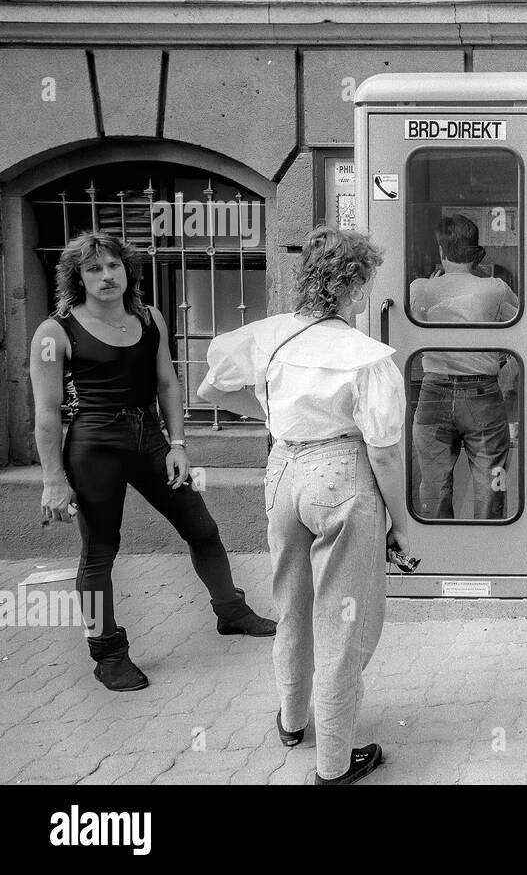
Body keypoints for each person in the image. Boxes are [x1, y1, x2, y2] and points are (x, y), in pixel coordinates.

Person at [197, 226, 407, 785]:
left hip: (283, 470)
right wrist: (402, 524)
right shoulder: (367, 358)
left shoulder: (268, 336)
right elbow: (384, 454)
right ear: (354, 287)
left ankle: (292, 719)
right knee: (343, 618)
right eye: (366, 282)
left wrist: (272, 412)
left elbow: (211, 392)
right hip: (340, 473)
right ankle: (336, 762)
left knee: (291, 599)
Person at [28, 233, 275, 694]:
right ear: (77, 278)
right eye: (93, 269)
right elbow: (44, 412)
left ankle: (231, 611)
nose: (106, 277)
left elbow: (167, 383)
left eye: (113, 267)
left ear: (127, 270)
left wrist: (178, 444)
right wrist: (52, 480)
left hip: (150, 442)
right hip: (94, 446)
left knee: (202, 529)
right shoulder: (54, 332)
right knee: (99, 553)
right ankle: (108, 654)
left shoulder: (150, 317)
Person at [408, 215, 518, 520]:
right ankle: (488, 552)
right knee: (490, 484)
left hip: (433, 393)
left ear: (442, 252)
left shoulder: (421, 289)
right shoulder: (494, 288)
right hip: (482, 395)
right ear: (474, 251)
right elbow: (519, 321)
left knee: (434, 484)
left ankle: (441, 553)